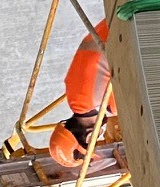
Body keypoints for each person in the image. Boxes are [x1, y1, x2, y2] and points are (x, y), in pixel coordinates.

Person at [48, 19, 115, 168]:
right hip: (112, 20)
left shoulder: (108, 104)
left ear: (90, 137)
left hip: (134, 27)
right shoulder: (73, 96)